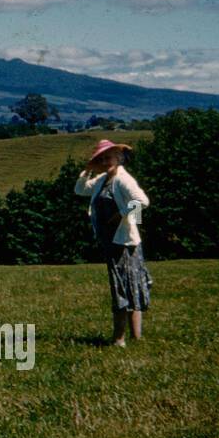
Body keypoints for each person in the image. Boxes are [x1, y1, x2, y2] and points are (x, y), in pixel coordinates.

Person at [75, 140, 152, 347]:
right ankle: (137, 338)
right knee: (129, 287)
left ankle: (119, 339)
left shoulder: (123, 179)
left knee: (124, 288)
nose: (105, 161)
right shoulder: (102, 180)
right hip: (111, 241)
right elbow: (80, 190)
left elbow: (142, 201)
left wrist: (123, 215)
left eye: (109, 157)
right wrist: (87, 170)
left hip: (124, 243)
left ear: (118, 157)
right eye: (102, 158)